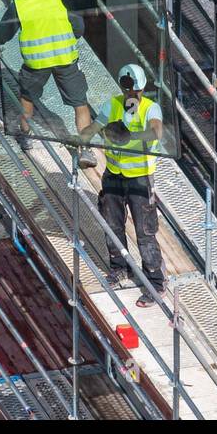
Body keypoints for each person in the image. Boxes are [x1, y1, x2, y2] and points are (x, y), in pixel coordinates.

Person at [0, 0, 96, 164]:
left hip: (36, 65)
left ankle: (26, 138)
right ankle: (86, 150)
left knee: (27, 98)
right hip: (66, 61)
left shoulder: (20, 5)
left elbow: (3, 35)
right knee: (80, 104)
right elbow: (79, 28)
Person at [80, 63, 166, 306]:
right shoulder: (114, 105)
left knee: (145, 232)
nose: (132, 96)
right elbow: (95, 127)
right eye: (129, 91)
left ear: (142, 90)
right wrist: (80, 139)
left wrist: (130, 137)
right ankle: (120, 268)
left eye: (136, 92)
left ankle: (156, 282)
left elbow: (157, 132)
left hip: (140, 179)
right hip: (114, 176)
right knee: (112, 225)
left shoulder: (151, 108)